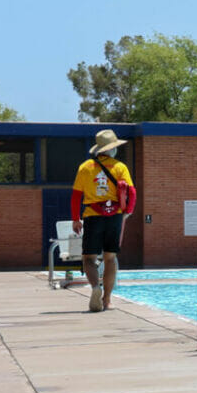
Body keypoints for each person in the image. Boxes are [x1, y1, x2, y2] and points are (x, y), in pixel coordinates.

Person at [71, 129, 137, 313]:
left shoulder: (85, 167)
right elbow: (132, 192)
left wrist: (76, 219)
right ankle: (107, 300)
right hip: (114, 215)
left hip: (93, 215)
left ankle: (94, 287)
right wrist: (127, 212)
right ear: (112, 149)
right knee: (110, 258)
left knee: (89, 258)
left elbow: (76, 196)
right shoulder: (120, 167)